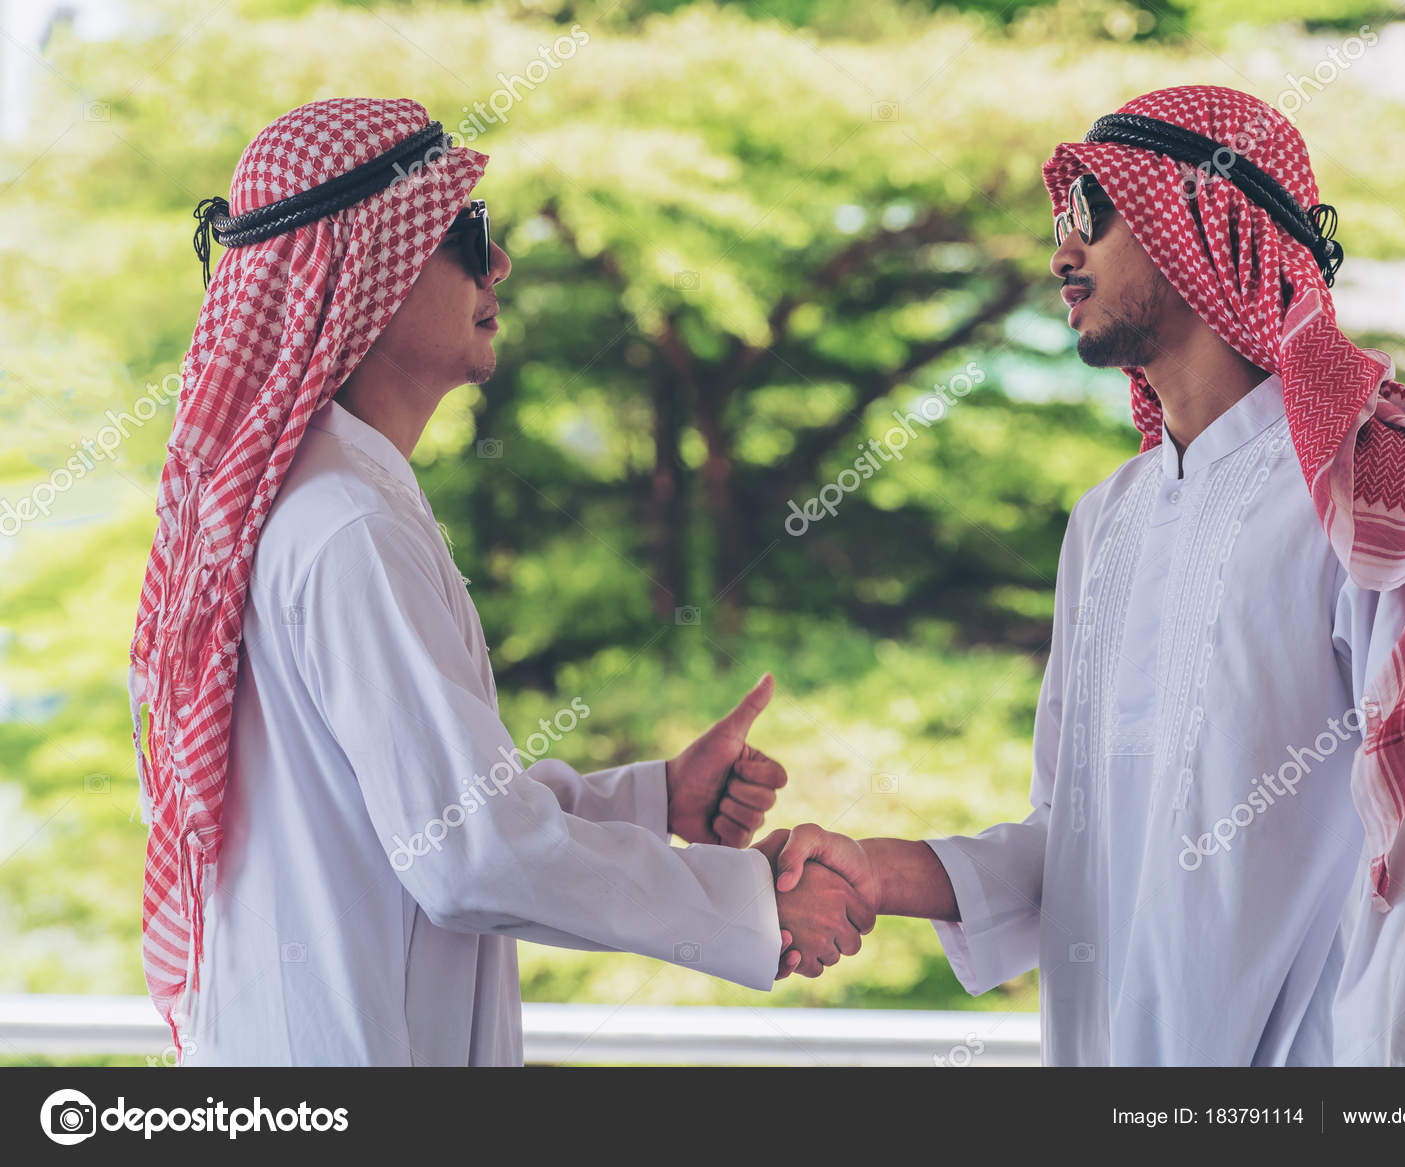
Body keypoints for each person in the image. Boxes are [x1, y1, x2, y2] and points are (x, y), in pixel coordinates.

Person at [127, 98, 870, 1066]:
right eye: (469, 233)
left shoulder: (329, 499)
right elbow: (469, 853)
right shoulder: (348, 524)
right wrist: (752, 904)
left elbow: (426, 804)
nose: (501, 265)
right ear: (371, 266)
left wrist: (654, 800)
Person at [770, 85, 1405, 1066]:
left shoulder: (1369, 487)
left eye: (1093, 214)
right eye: (1059, 223)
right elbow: (1073, 843)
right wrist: (881, 872)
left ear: (1203, 224)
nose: (1062, 253)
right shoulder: (1104, 521)